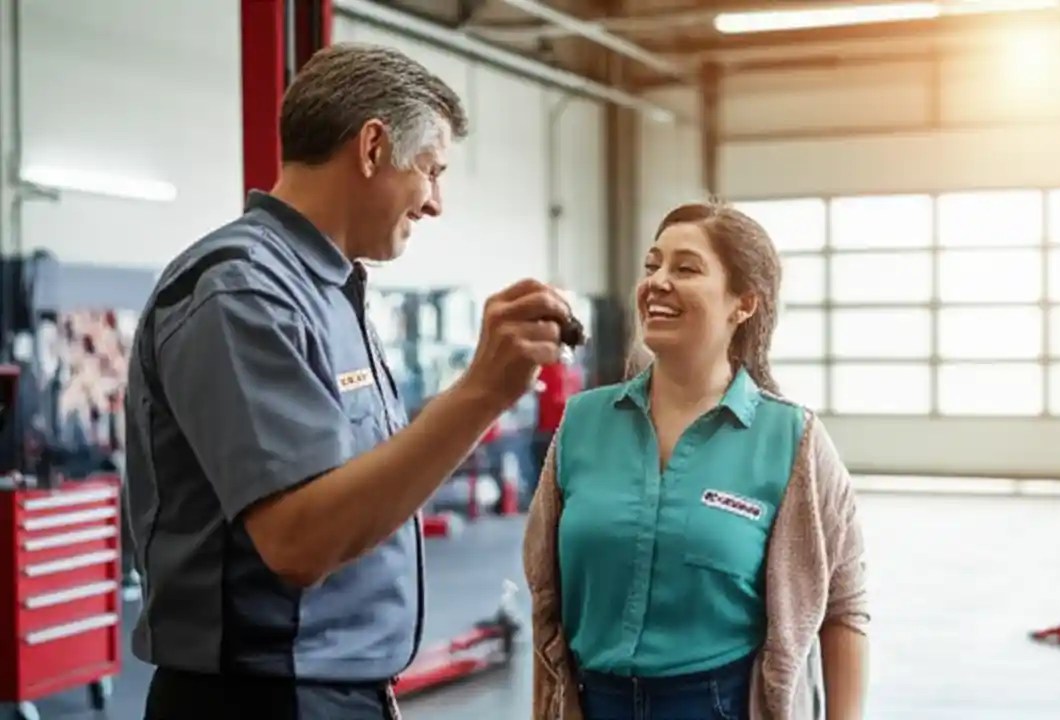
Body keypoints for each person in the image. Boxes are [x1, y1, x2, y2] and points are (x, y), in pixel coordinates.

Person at [123, 42, 571, 720]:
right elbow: (300, 542)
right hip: (261, 699)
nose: (435, 204)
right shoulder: (243, 292)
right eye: (431, 171)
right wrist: (481, 394)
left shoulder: (328, 293)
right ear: (371, 148)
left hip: (332, 689)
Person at [523, 202, 871, 720]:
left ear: (744, 304)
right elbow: (547, 603)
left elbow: (844, 608)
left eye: (685, 268)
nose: (658, 282)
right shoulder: (582, 423)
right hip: (593, 703)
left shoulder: (791, 439)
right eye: (652, 265)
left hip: (721, 706)